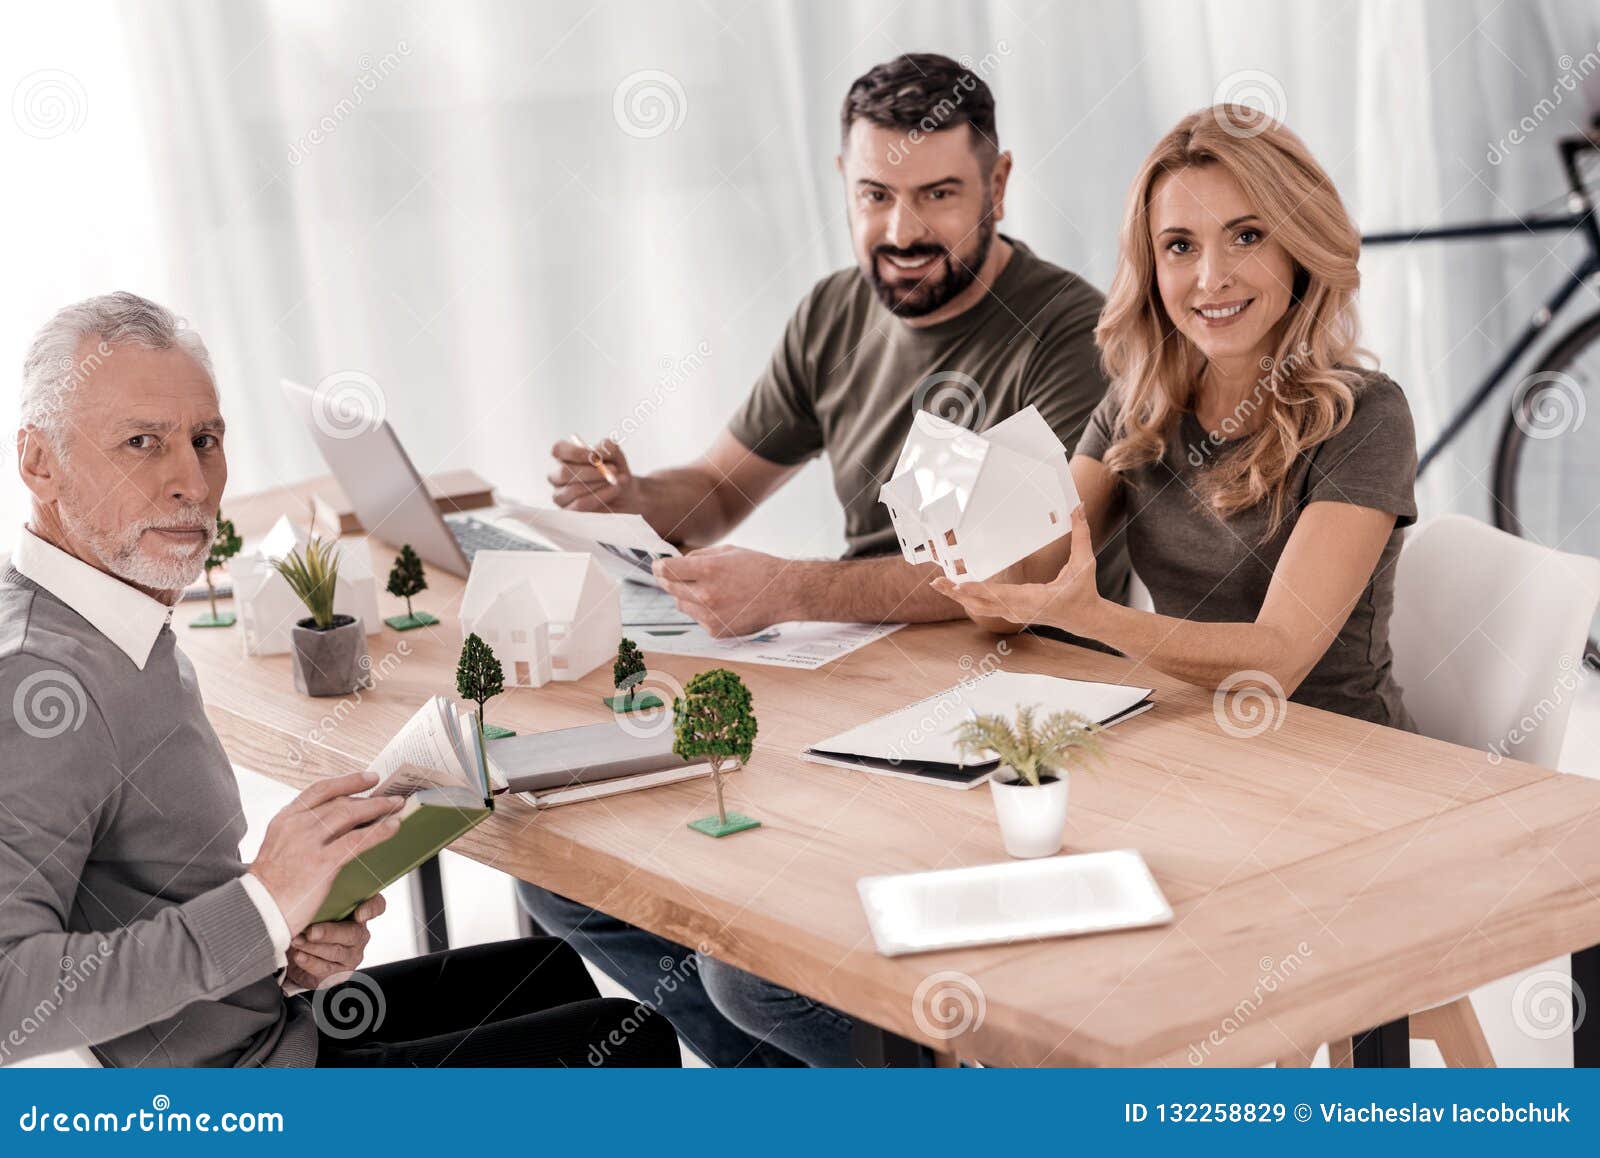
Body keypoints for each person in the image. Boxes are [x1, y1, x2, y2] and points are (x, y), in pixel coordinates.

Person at [700, 105, 1421, 1064]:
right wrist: (977, 546)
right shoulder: (1142, 397)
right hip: (1196, 755)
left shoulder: (1364, 415)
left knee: (1034, 987)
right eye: (1179, 246)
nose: (1210, 278)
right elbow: (1039, 556)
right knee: (765, 970)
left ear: (1300, 245)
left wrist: (1088, 615)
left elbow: (1277, 660)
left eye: (1246, 235)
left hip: (1336, 781)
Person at [521, 50, 1129, 1068]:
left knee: (747, 971)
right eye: (875, 196)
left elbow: (1027, 573)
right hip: (850, 690)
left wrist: (792, 589)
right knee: (559, 874)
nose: (900, 231)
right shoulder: (833, 313)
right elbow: (715, 491)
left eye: (938, 195)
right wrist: (634, 499)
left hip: (1006, 706)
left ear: (1000, 183)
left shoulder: (1068, 335)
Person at [0, 292, 679, 1068]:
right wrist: (259, 910)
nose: (193, 482)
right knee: (630, 1042)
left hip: (255, 1029)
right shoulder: (36, 681)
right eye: (141, 442)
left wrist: (278, 943)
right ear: (38, 461)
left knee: (551, 971)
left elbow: (128, 901)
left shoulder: (109, 611)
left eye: (205, 438)